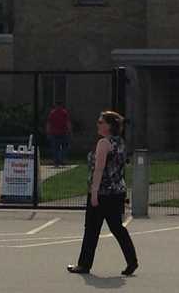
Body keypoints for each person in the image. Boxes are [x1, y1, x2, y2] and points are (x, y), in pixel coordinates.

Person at [67, 111, 138, 276]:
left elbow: (99, 169)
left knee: (91, 228)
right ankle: (132, 261)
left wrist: (94, 192)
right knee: (117, 228)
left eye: (101, 122)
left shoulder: (104, 143)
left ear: (109, 126)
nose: (98, 125)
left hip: (103, 193)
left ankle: (84, 264)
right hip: (117, 191)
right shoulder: (120, 143)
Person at [46, 101, 72, 168]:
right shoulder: (64, 112)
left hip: (54, 133)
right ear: (61, 105)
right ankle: (61, 159)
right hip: (63, 133)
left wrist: (48, 131)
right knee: (64, 147)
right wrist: (69, 131)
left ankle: (56, 161)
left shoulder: (52, 113)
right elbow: (67, 122)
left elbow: (49, 123)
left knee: (55, 148)